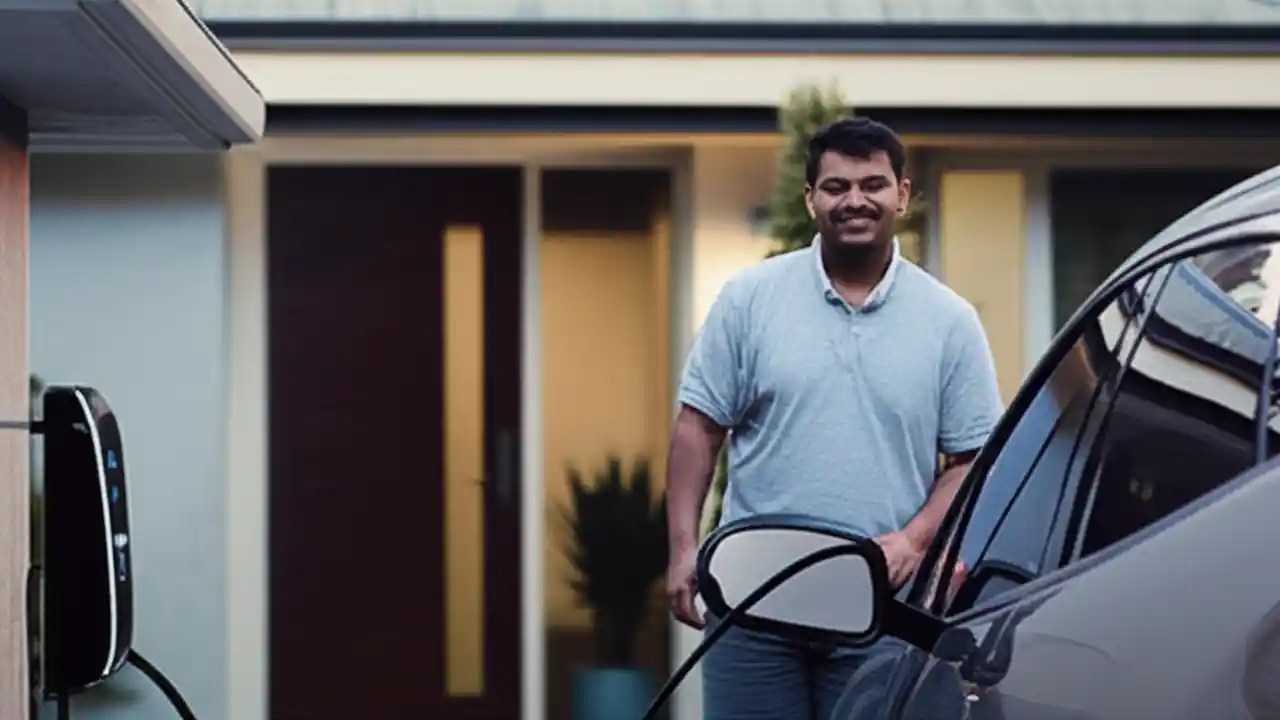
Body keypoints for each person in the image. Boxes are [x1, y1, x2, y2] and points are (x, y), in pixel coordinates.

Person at [663, 116, 1004, 719]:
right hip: (752, 604)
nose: (854, 201)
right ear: (810, 199)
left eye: (871, 185)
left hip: (880, 608)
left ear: (901, 194)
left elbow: (971, 462)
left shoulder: (948, 322)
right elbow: (699, 427)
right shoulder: (750, 299)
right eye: (836, 187)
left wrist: (912, 540)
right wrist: (684, 548)